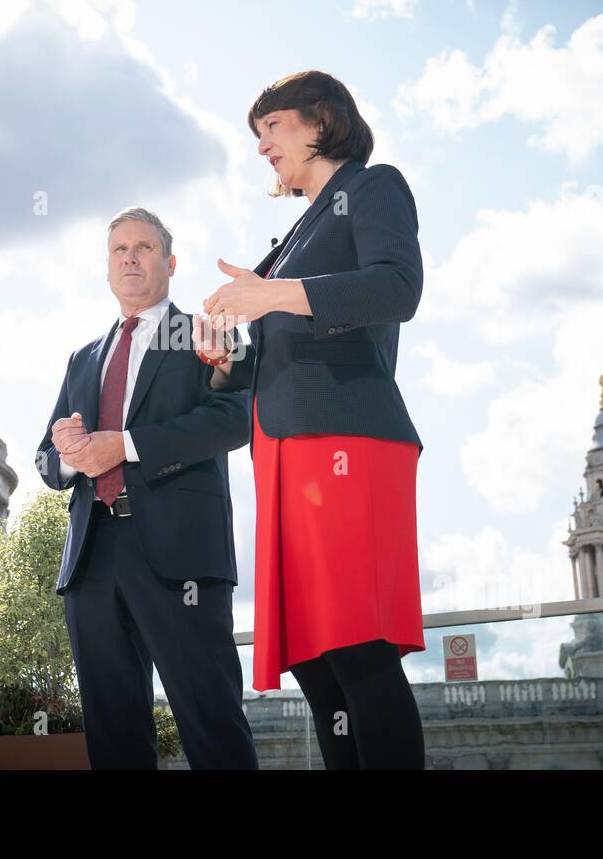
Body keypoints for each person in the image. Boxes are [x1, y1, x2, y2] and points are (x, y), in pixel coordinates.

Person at [195, 70, 428, 769]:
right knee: (315, 661)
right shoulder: (292, 235)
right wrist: (219, 355)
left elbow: (397, 288)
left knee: (357, 646)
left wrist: (272, 294)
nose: (262, 145)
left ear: (320, 120)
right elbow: (264, 356)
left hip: (346, 442)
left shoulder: (375, 186)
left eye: (272, 126)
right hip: (286, 453)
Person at [36, 206, 258, 770]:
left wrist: (126, 445)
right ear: (107, 269)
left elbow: (235, 418)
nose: (130, 257)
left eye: (144, 247)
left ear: (171, 262)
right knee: (113, 738)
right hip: (92, 561)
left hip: (180, 554)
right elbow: (45, 458)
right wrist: (67, 454)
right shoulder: (84, 357)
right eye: (119, 250)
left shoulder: (205, 333)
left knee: (212, 725)